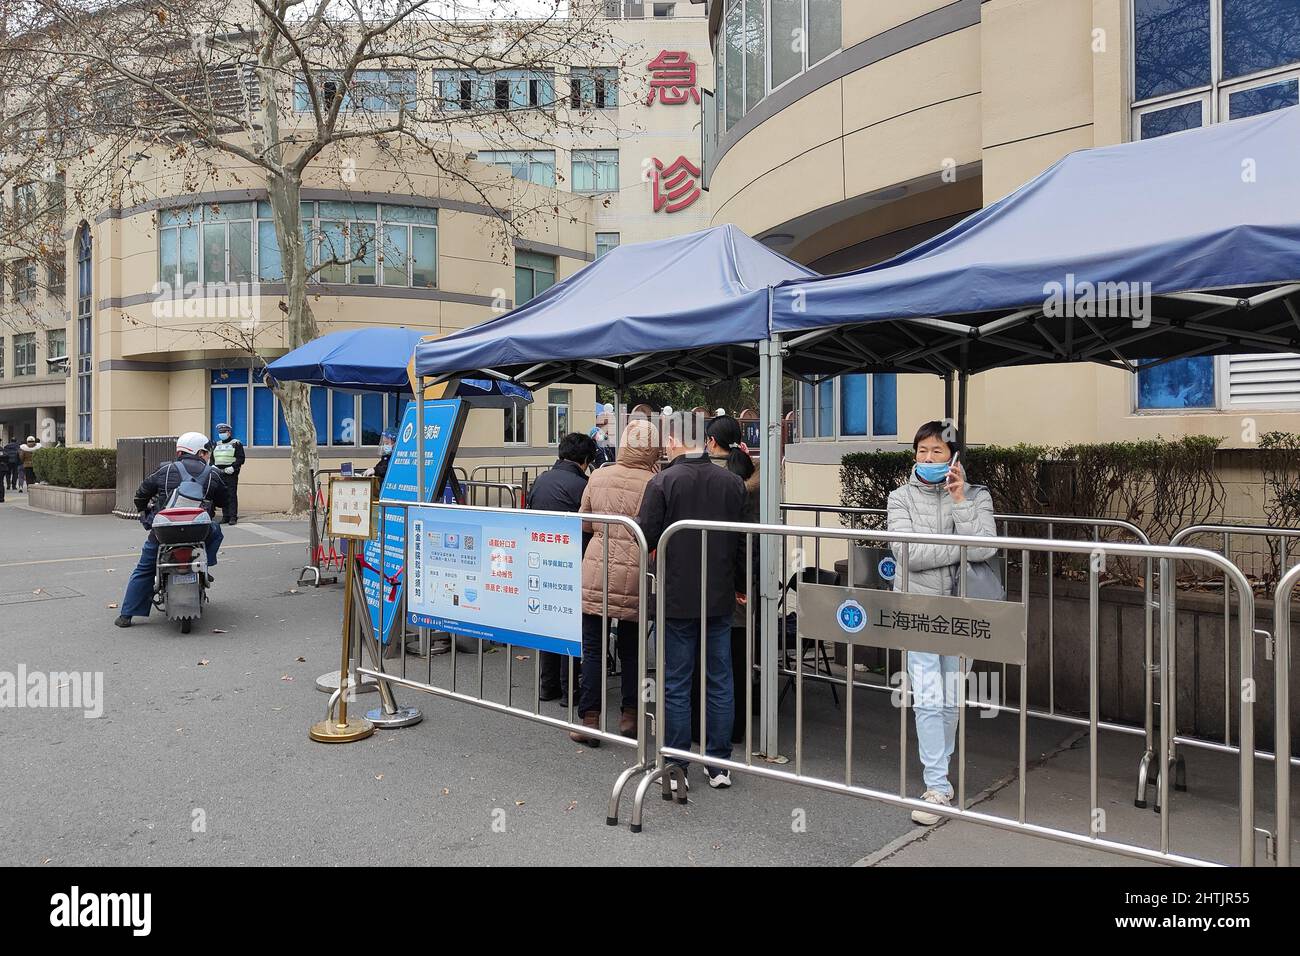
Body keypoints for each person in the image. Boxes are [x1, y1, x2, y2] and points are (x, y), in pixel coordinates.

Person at [886, 420, 997, 825]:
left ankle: (941, 780)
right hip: (919, 607)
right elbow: (908, 554)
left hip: (963, 609)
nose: (929, 458)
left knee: (951, 695)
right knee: (928, 694)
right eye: (922, 451)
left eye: (937, 451)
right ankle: (936, 785)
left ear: (954, 456)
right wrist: (960, 549)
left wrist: (960, 501)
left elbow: (986, 546)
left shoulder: (976, 495)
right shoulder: (899, 498)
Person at [638, 414, 747, 790]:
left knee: (675, 681)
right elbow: (742, 540)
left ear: (673, 439)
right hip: (719, 595)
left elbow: (644, 536)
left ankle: (675, 763)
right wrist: (740, 583)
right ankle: (718, 765)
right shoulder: (732, 483)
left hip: (676, 596)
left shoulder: (663, 482)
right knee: (720, 678)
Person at [569, 418, 660, 745]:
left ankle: (590, 719)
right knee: (632, 649)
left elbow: (586, 522)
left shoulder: (599, 474)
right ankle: (629, 716)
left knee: (592, 647)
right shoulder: (656, 481)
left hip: (596, 568)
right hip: (636, 573)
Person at [114, 432, 229, 629]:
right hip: (199, 531)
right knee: (217, 531)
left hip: (164, 532)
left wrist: (144, 510)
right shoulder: (212, 474)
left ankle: (126, 615)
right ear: (200, 451)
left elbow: (141, 494)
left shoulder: (165, 470)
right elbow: (224, 500)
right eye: (206, 452)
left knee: (144, 568)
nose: (208, 455)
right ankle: (205, 565)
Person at [528, 431, 599, 703]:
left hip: (540, 558)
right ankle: (571, 691)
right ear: (585, 460)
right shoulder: (583, 485)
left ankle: (548, 686)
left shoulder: (541, 480)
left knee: (549, 622)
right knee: (573, 624)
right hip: (573, 560)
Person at [209, 423, 245, 524]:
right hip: (219, 473)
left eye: (223, 432)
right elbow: (212, 459)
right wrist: (213, 466)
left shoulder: (236, 443)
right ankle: (225, 516)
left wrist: (233, 467)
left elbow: (241, 458)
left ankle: (233, 517)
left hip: (231, 473)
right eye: (220, 432)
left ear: (229, 432)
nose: (221, 434)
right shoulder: (217, 444)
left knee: (231, 495)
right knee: (223, 495)